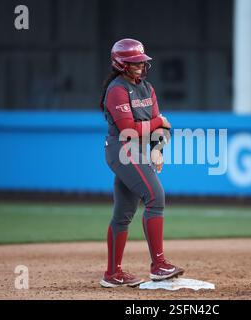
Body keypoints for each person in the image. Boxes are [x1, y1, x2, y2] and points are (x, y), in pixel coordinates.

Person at [99, 38, 184, 288]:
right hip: (122, 148)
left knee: (123, 213)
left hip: (137, 150)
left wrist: (157, 149)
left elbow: (164, 127)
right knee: (155, 197)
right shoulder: (117, 89)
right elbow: (129, 130)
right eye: (133, 63)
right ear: (120, 65)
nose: (140, 66)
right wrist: (158, 123)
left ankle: (112, 274)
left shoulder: (147, 88)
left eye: (141, 62)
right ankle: (158, 265)